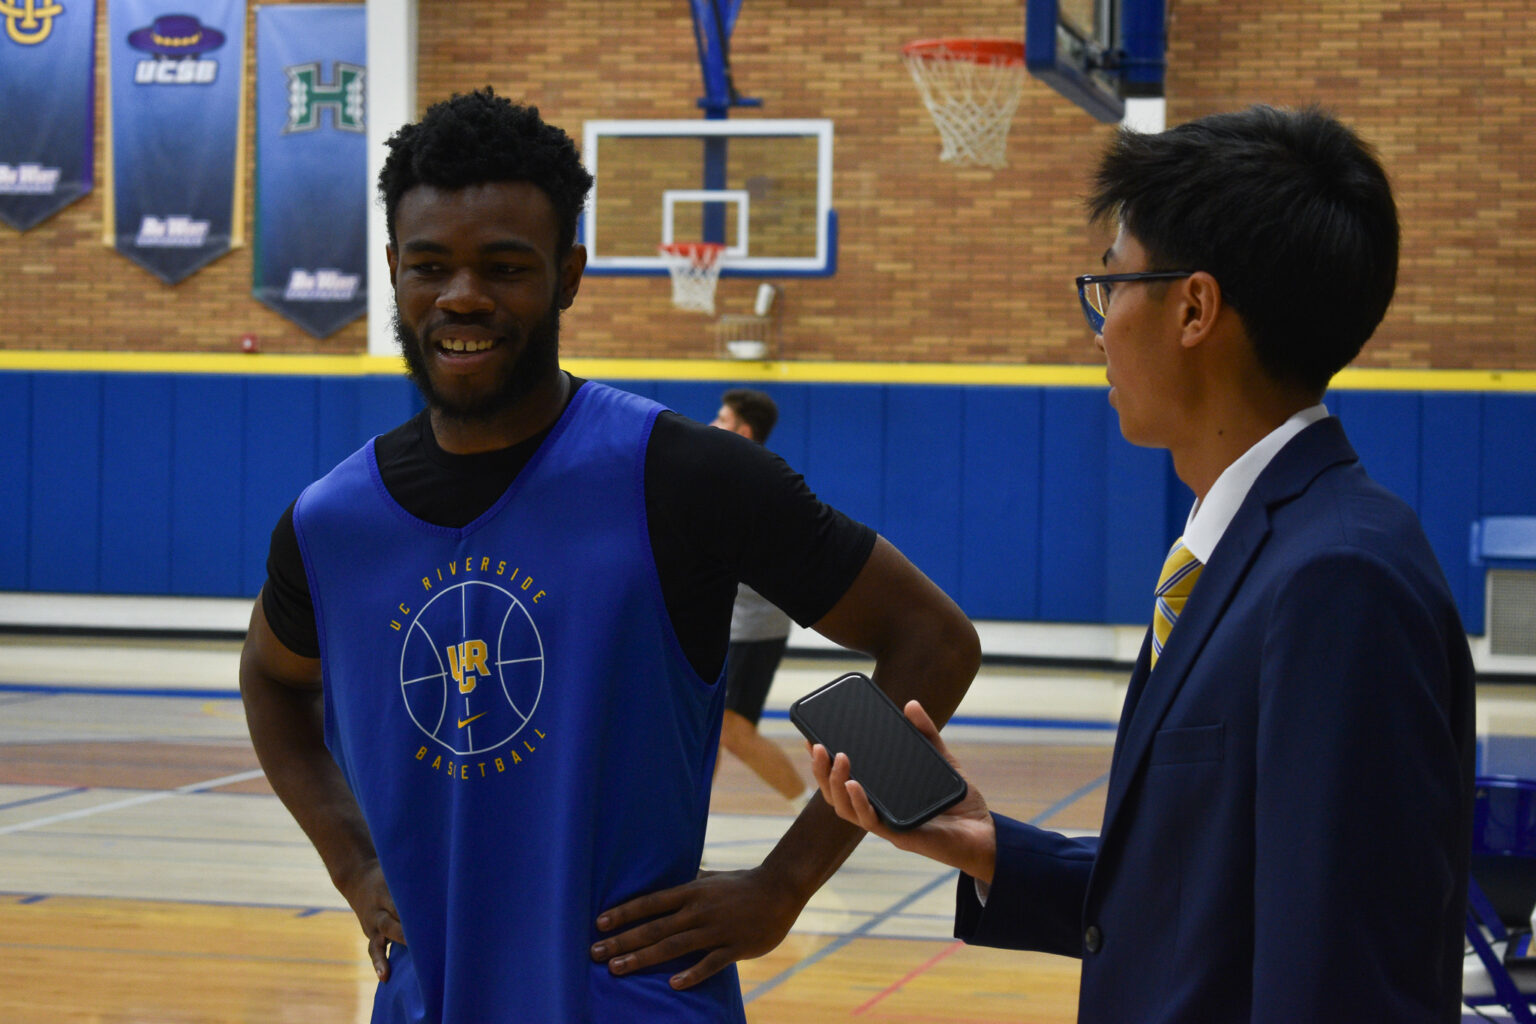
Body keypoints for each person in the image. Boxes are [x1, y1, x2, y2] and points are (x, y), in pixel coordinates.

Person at [238, 87, 980, 1023]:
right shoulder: (329, 521)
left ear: (569, 274)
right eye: (430, 265)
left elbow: (934, 642)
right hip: (429, 996)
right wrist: (351, 861)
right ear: (394, 270)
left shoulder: (688, 477)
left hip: (636, 996)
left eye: (504, 267)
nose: (462, 296)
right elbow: (271, 681)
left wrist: (784, 883)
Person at [810, 104, 1475, 1023]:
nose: (1099, 328)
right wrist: (989, 844)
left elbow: (1339, 974)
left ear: (1194, 308)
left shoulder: (1338, 581)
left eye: (1111, 285)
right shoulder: (1243, 551)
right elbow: (1207, 892)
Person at [708, 388, 813, 808]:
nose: (712, 424)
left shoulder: (748, 479)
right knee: (706, 731)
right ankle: (684, 829)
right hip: (728, 625)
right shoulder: (728, 474)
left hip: (751, 630)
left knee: (732, 731)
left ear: (743, 430)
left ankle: (810, 810)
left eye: (721, 418)